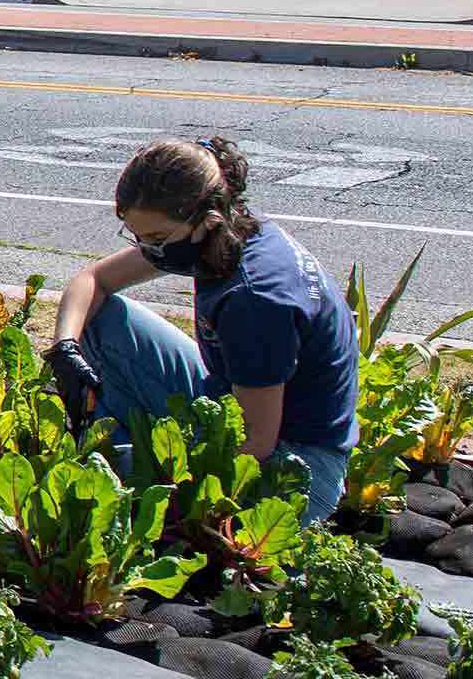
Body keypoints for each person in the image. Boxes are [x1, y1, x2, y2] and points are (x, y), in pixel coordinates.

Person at [45, 137, 358, 524]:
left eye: (156, 239)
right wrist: (65, 347)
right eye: (136, 236)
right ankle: (116, 446)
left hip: (296, 465)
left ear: (207, 218)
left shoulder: (253, 300)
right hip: (235, 402)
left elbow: (255, 442)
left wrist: (153, 473)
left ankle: (120, 458)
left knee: (104, 489)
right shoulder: (226, 232)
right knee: (102, 321)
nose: (147, 249)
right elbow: (94, 280)